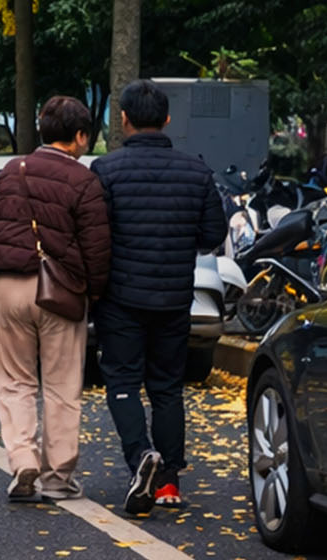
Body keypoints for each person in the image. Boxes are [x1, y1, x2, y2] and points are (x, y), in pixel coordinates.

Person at [91, 80, 225, 515]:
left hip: (121, 299)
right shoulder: (197, 172)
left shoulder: (106, 171)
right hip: (173, 298)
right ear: (167, 119)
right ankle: (168, 484)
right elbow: (213, 235)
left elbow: (96, 235)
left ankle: (140, 457)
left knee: (123, 382)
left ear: (124, 120)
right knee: (168, 388)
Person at [0, 95, 112, 504]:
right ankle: (57, 477)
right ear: (78, 136)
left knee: (14, 380)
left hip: (8, 284)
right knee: (61, 385)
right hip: (60, 290)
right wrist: (95, 293)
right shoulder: (83, 181)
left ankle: (22, 460)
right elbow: (97, 246)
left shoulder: (9, 173)